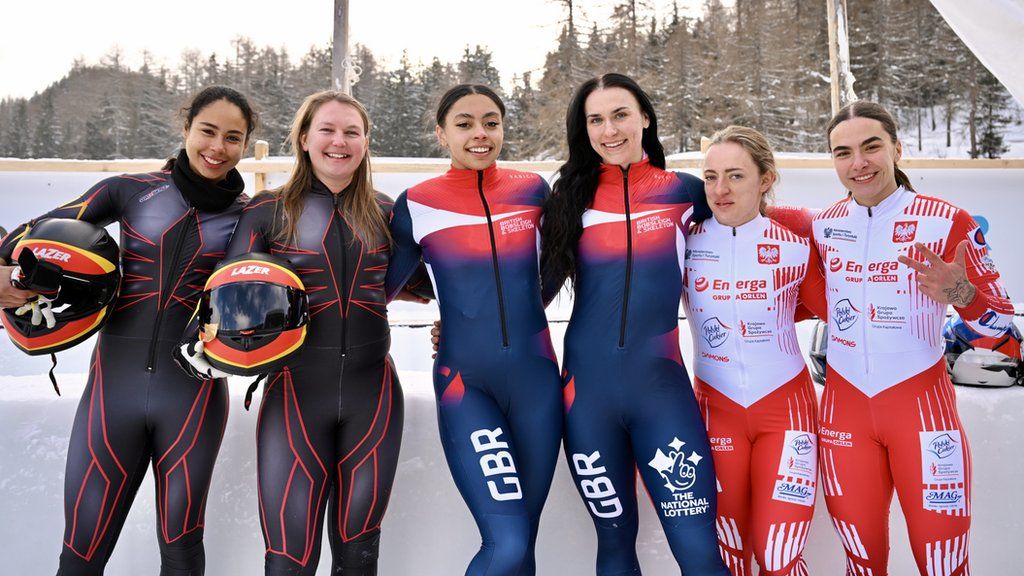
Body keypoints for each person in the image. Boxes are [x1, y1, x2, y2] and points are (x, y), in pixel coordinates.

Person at [0, 86, 257, 576]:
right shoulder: (130, 191)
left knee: (181, 547)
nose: (217, 147)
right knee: (81, 550)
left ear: (245, 145)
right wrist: (5, 274)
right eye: (207, 131)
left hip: (194, 396)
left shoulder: (251, 214)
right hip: (110, 393)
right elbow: (26, 237)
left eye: (233, 137)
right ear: (186, 128)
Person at [184, 90, 404, 576]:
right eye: (327, 129)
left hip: (375, 395)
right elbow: (223, 297)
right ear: (304, 139)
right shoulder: (267, 211)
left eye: (352, 131)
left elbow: (438, 284)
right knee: (289, 559)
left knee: (360, 555)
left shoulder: (388, 213)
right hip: (295, 395)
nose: (339, 142)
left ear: (366, 142)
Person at [813, 101, 1014, 575]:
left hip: (923, 417)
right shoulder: (822, 225)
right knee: (862, 564)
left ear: (897, 149)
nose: (858, 163)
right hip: (845, 417)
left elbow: (1000, 327)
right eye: (843, 152)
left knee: (943, 564)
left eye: (871, 147)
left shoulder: (947, 220)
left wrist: (961, 293)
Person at [540, 73, 729, 575]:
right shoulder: (568, 200)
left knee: (697, 547)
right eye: (596, 120)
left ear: (645, 117)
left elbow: (753, 232)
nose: (610, 129)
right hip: (586, 399)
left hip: (661, 393)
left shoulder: (687, 193)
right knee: (615, 543)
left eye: (620, 114)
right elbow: (531, 291)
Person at [384, 84, 563, 576]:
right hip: (468, 385)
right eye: (464, 123)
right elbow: (382, 285)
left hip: (538, 382)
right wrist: (461, 314)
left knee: (523, 544)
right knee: (505, 543)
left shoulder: (532, 190)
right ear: (442, 133)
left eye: (491, 122)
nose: (480, 134)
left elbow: (549, 273)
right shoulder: (417, 202)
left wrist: (506, 312)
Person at [683, 125, 827, 576]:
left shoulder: (797, 244)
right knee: (727, 557)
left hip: (787, 412)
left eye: (735, 176)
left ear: (766, 180)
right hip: (715, 408)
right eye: (710, 177)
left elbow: (844, 313)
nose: (719, 190)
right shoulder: (685, 241)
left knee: (780, 557)